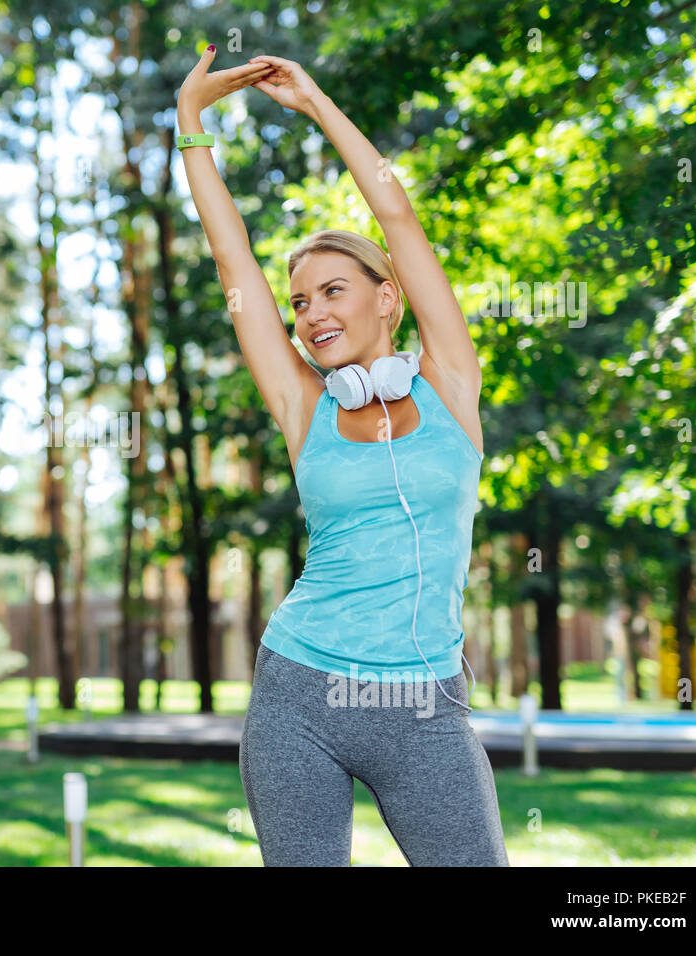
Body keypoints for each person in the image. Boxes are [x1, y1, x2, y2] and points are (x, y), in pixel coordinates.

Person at [176, 46, 508, 866]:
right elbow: (232, 261)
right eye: (299, 302)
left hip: (426, 709)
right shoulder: (304, 406)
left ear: (387, 298)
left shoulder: (450, 384)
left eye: (333, 291)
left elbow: (398, 219)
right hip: (299, 694)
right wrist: (190, 123)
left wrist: (316, 103)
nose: (312, 314)